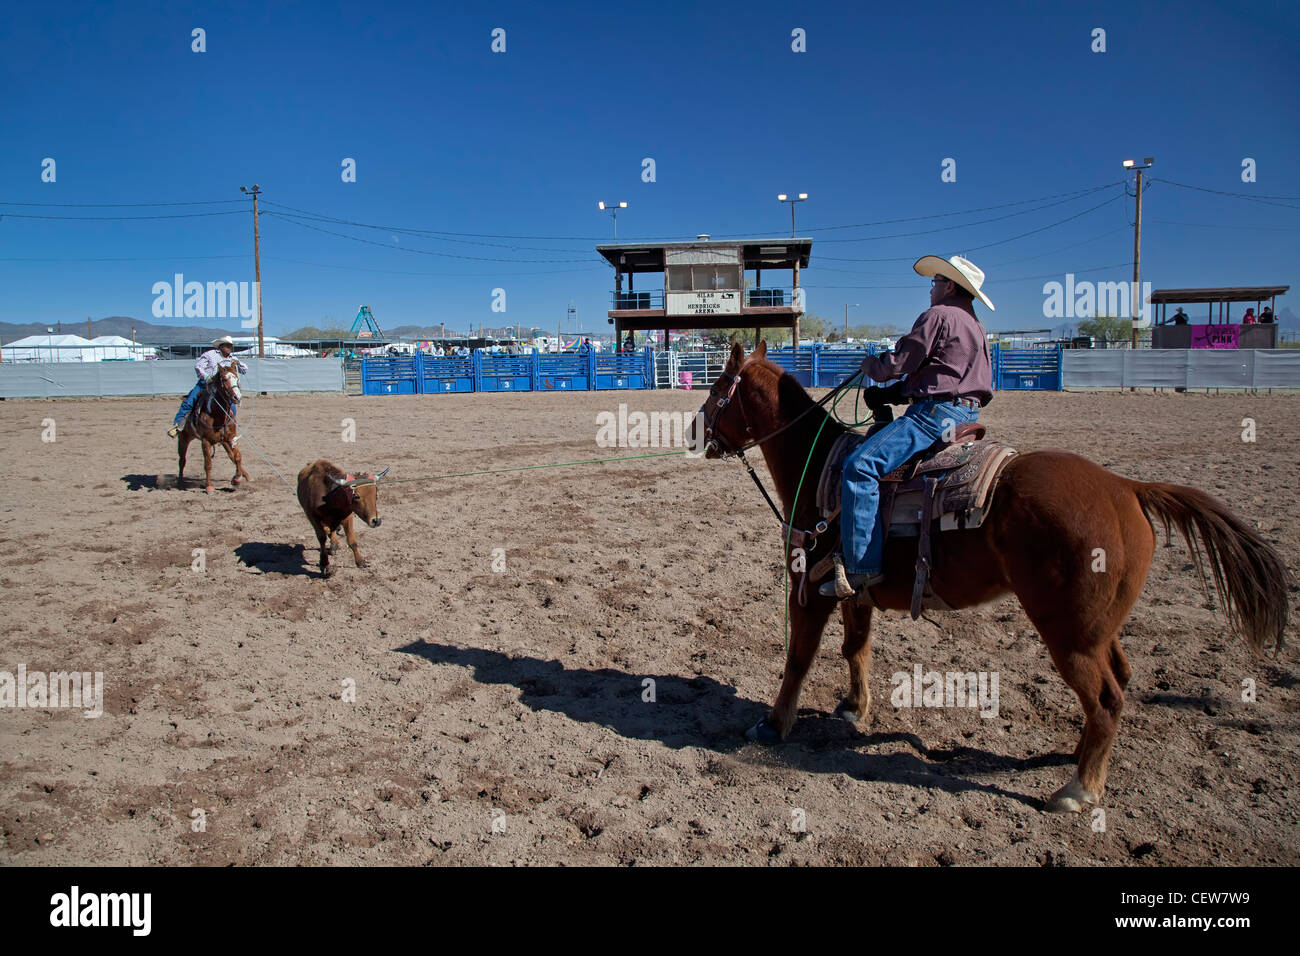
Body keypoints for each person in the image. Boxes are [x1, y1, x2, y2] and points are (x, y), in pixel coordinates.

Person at [821, 255, 995, 598]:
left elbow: (900, 363)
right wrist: (888, 395)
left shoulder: (938, 316)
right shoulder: (975, 325)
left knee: (859, 466)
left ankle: (862, 568)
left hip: (933, 417)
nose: (931, 289)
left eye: (934, 283)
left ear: (948, 285)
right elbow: (934, 375)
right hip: (964, 415)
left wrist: (872, 365)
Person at [167, 336, 249, 437]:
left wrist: (239, 363)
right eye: (227, 346)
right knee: (190, 402)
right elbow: (198, 366)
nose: (229, 348)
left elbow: (245, 370)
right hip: (205, 384)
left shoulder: (233, 358)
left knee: (232, 408)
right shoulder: (210, 354)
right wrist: (207, 377)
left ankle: (229, 430)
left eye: (230, 346)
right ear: (221, 346)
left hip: (222, 388)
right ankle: (178, 426)